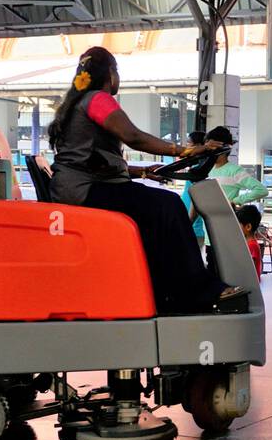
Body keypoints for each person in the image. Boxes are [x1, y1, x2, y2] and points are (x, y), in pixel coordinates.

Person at [47, 46, 241, 313]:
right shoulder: (98, 99)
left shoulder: (78, 103)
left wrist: (141, 172)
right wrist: (184, 151)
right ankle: (199, 291)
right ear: (110, 74)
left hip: (79, 188)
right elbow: (133, 136)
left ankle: (164, 294)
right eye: (117, 71)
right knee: (170, 206)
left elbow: (93, 159)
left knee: (153, 218)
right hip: (87, 190)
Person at [237, 204, 264, 279]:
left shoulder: (252, 246)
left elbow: (247, 270)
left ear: (248, 227)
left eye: (238, 224)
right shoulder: (248, 243)